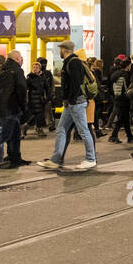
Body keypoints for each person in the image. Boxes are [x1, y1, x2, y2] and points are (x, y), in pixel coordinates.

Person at [37, 41, 97, 171]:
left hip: (76, 102)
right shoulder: (70, 62)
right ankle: (56, 159)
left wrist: (71, 99)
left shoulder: (73, 62)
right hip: (72, 103)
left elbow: (76, 82)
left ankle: (91, 159)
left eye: (60, 49)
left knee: (83, 130)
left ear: (64, 49)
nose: (59, 51)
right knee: (61, 129)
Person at [107, 55, 131, 143]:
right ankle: (114, 136)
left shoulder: (115, 74)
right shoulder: (126, 75)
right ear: (127, 66)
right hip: (124, 98)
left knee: (124, 118)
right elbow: (128, 87)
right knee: (123, 118)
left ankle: (129, 136)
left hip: (117, 97)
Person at [23, 61, 49, 139]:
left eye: (37, 67)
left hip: (40, 100)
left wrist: (47, 98)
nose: (35, 69)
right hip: (32, 99)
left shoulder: (43, 77)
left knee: (39, 116)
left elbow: (47, 88)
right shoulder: (29, 77)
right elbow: (25, 87)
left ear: (40, 69)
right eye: (34, 67)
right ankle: (26, 127)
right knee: (32, 115)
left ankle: (38, 129)